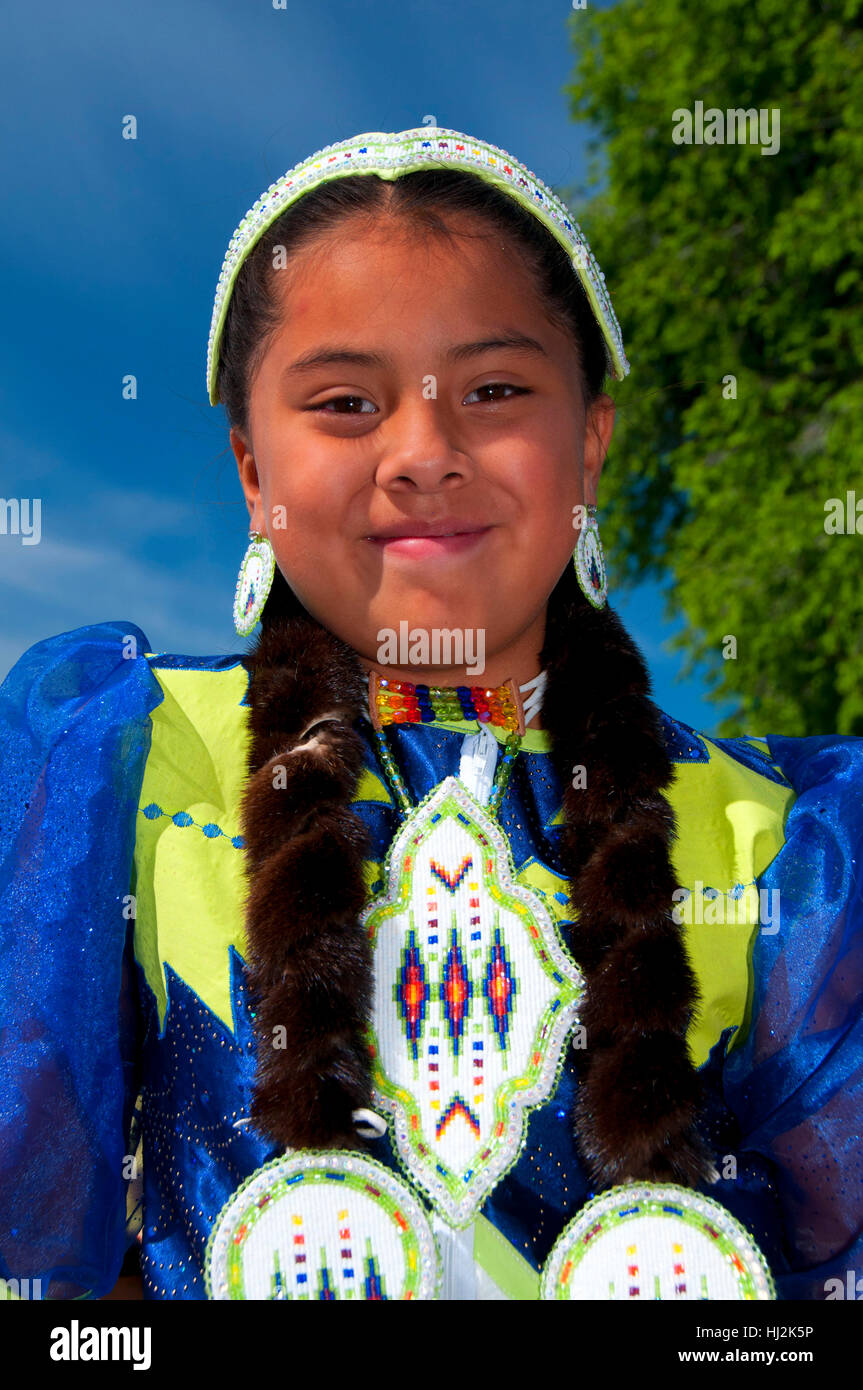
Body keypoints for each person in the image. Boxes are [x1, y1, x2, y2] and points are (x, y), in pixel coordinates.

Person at [1, 126, 861, 1302]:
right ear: (253, 473)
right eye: (346, 401)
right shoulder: (118, 762)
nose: (423, 452)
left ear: (591, 445)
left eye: (495, 390)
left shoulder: (779, 840)